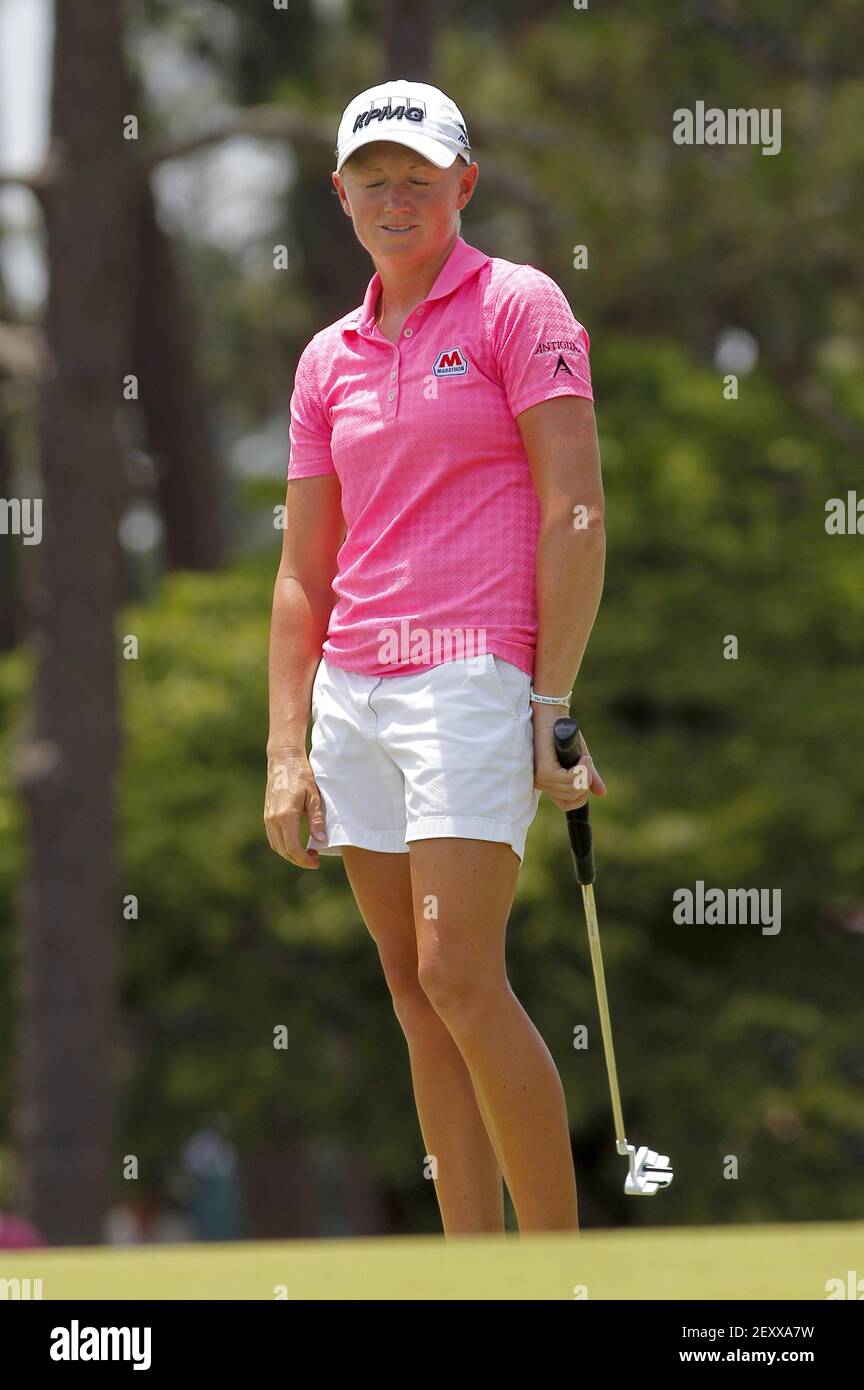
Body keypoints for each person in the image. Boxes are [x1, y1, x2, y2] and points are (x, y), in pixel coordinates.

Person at [265, 80, 606, 1236]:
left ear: (465, 183)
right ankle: (470, 1275)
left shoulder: (521, 307)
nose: (395, 196)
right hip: (353, 691)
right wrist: (284, 748)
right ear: (341, 195)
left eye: (420, 175)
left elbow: (576, 513)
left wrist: (548, 700)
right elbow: (304, 569)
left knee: (460, 970)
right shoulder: (328, 359)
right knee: (414, 995)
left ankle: (560, 1274)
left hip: (473, 672)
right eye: (374, 178)